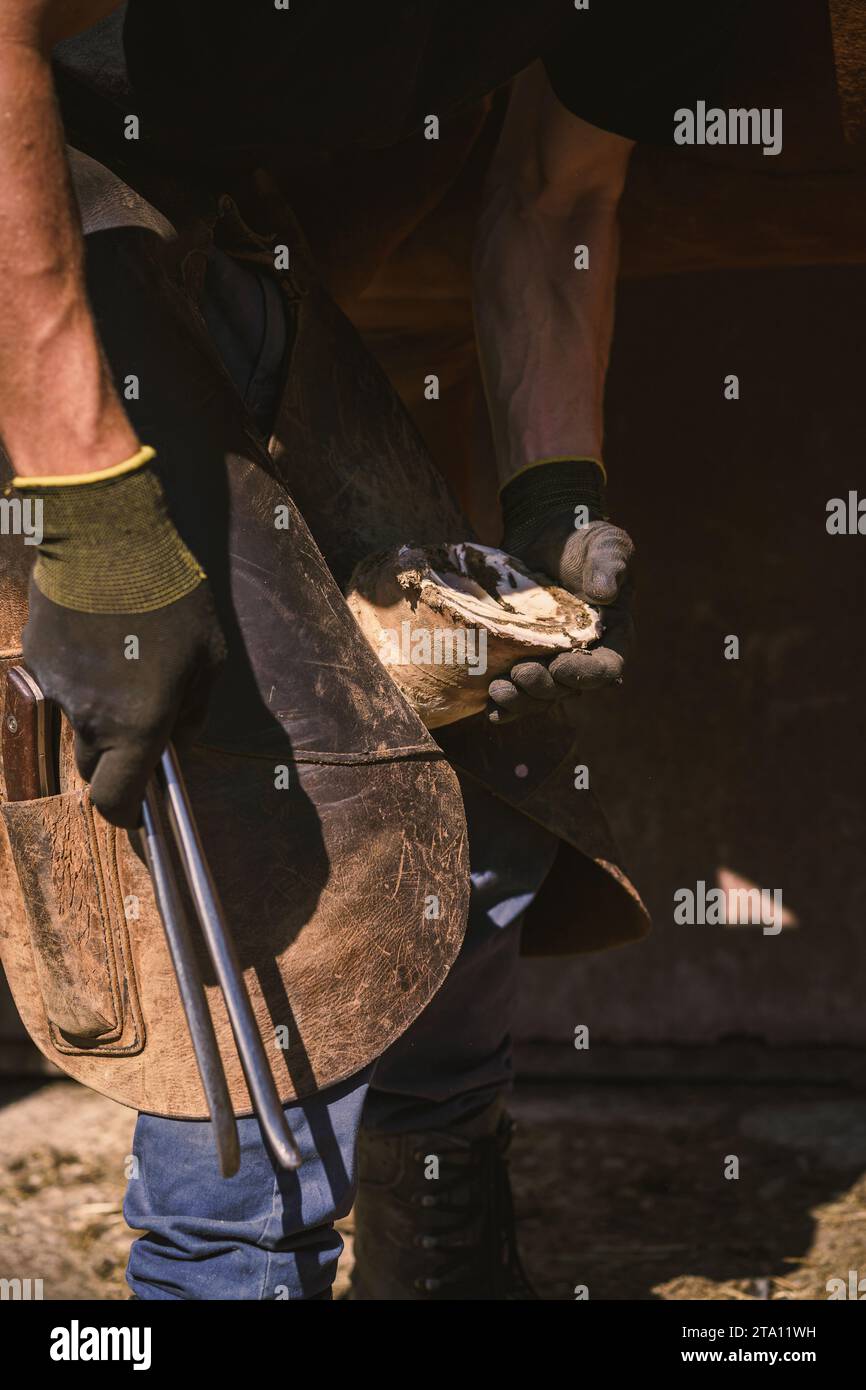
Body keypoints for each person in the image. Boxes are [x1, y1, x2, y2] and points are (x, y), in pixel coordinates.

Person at [0, 1, 744, 1299]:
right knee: (274, 869)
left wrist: (554, 502)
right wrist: (93, 507)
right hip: (47, 218)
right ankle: (221, 1279)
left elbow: (558, 189)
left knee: (482, 796)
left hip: (235, 239)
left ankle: (437, 1246)